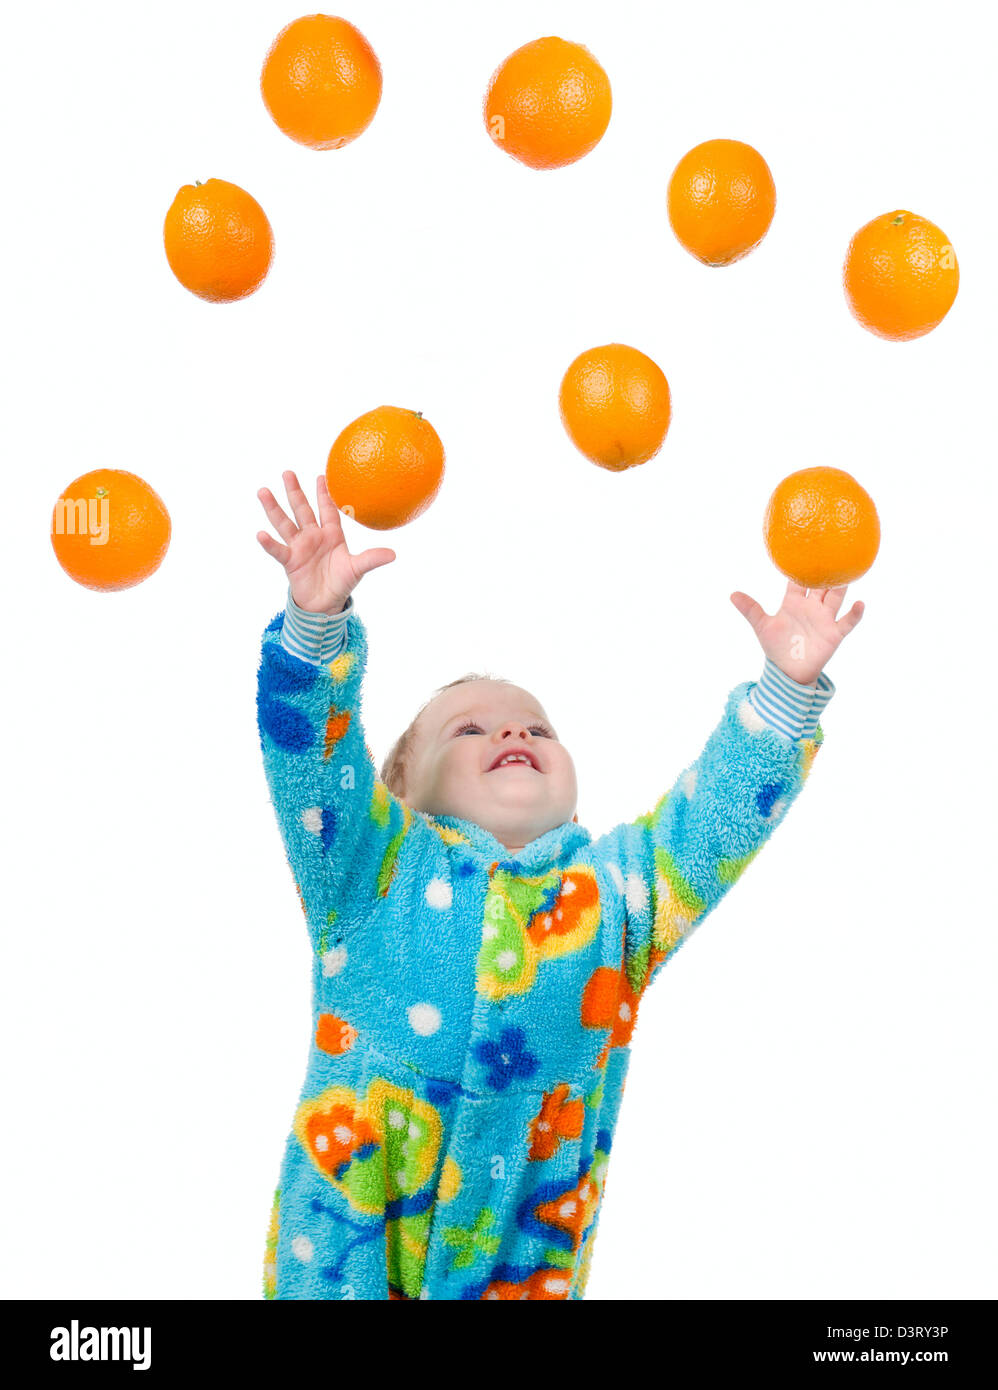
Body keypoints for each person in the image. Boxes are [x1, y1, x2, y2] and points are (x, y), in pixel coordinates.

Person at [255, 469, 863, 1300]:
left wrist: (786, 692)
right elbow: (310, 762)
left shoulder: (616, 899)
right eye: (471, 728)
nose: (513, 729)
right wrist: (315, 629)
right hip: (340, 1269)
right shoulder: (370, 870)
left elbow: (715, 819)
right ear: (400, 785)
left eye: (537, 726)